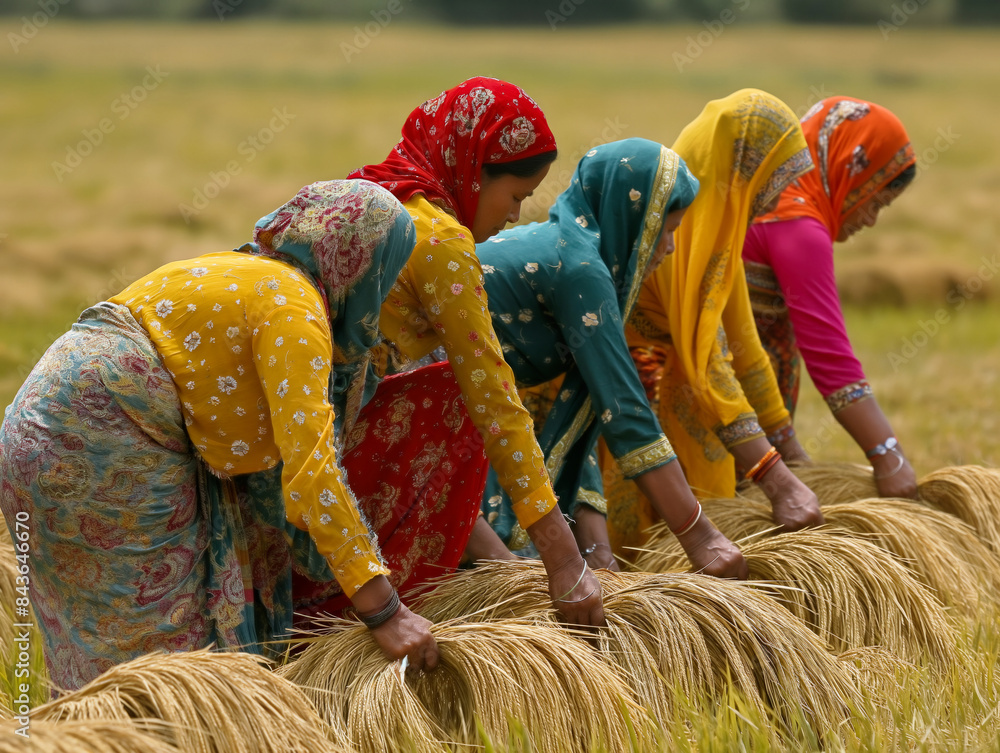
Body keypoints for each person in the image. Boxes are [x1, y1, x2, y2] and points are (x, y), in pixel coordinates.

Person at [0, 180, 486, 691]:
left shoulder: (242, 271)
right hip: (111, 442)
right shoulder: (296, 311)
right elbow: (312, 475)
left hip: (31, 431)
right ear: (362, 264)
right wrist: (386, 612)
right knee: (173, 674)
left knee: (94, 659)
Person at [345, 77, 607, 627]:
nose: (514, 217)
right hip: (324, 447)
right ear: (471, 170)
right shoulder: (440, 240)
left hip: (294, 426)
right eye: (514, 197)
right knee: (455, 393)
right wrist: (562, 561)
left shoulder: (373, 196)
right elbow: (495, 402)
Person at [465, 137, 748, 579]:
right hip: (430, 399)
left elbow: (588, 415)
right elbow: (627, 416)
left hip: (462, 407)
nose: (669, 247)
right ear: (632, 220)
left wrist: (597, 550)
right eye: (665, 230)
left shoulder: (571, 252)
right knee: (507, 575)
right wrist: (701, 538)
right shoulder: (580, 270)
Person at [605, 89, 826, 556]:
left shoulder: (720, 229)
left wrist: (792, 451)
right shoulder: (680, 227)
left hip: (658, 395)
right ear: (741, 168)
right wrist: (777, 479)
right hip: (622, 396)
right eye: (772, 175)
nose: (776, 193)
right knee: (631, 552)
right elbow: (708, 364)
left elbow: (744, 347)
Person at [743, 96, 918, 499]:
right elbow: (830, 358)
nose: (871, 220)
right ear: (848, 171)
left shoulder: (769, 192)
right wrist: (888, 457)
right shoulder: (797, 224)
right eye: (875, 201)